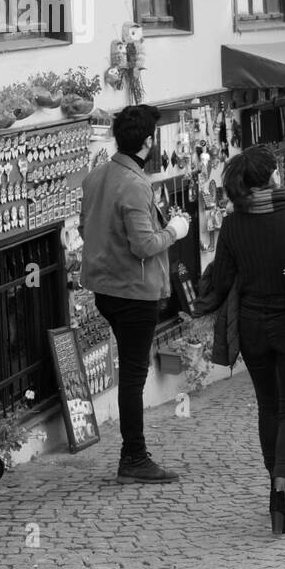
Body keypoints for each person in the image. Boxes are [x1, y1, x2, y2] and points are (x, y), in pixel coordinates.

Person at [193, 146, 285, 534]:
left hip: (253, 326)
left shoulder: (233, 225)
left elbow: (223, 281)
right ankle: (281, 490)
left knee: (268, 407)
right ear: (272, 177)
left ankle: (275, 489)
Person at [80, 104, 192, 485]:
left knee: (130, 373)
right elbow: (145, 246)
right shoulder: (136, 184)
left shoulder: (96, 176)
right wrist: (176, 230)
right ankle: (134, 457)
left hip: (106, 289)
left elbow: (86, 229)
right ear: (148, 142)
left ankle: (134, 455)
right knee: (132, 375)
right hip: (133, 293)